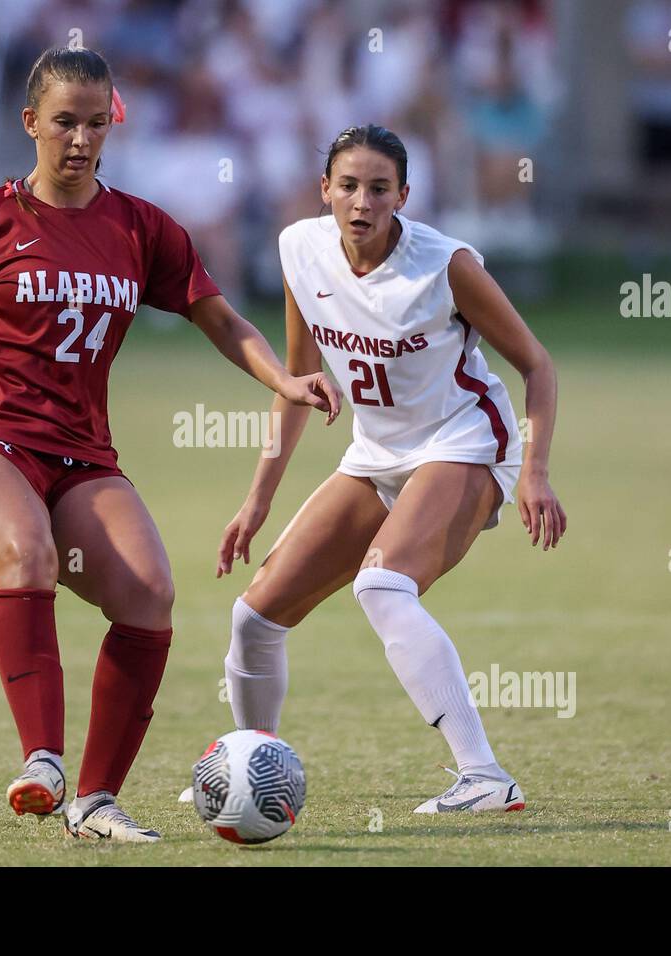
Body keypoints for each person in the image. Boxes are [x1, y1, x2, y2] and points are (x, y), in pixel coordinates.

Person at [0, 47, 340, 843]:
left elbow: (221, 317)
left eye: (96, 122)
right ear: (30, 122)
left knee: (150, 594)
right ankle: (43, 759)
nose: (80, 138)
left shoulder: (141, 228)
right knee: (25, 551)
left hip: (80, 452)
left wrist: (282, 382)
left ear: (117, 122)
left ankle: (96, 802)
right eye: (64, 122)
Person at [215, 125, 565, 814]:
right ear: (325, 191)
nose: (361, 201)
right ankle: (252, 770)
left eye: (380, 188)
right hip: (377, 454)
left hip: (464, 442)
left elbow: (537, 364)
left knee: (381, 585)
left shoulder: (446, 264)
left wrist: (536, 473)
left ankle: (485, 776)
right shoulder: (299, 248)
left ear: (405, 195)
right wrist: (257, 500)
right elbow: (299, 379)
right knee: (253, 619)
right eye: (347, 185)